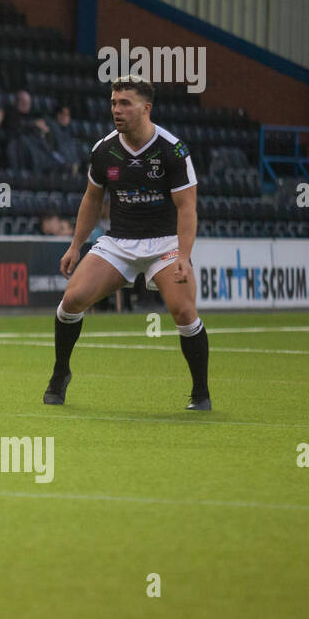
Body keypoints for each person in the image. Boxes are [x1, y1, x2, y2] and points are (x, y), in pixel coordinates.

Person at [44, 76, 211, 411]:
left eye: (125, 103)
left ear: (146, 108)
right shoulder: (104, 150)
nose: (116, 110)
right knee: (72, 300)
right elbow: (92, 200)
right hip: (119, 241)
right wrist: (75, 246)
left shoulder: (172, 149)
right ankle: (61, 372)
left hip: (165, 243)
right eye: (113, 103)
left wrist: (184, 255)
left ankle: (200, 392)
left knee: (183, 310)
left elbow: (187, 207)